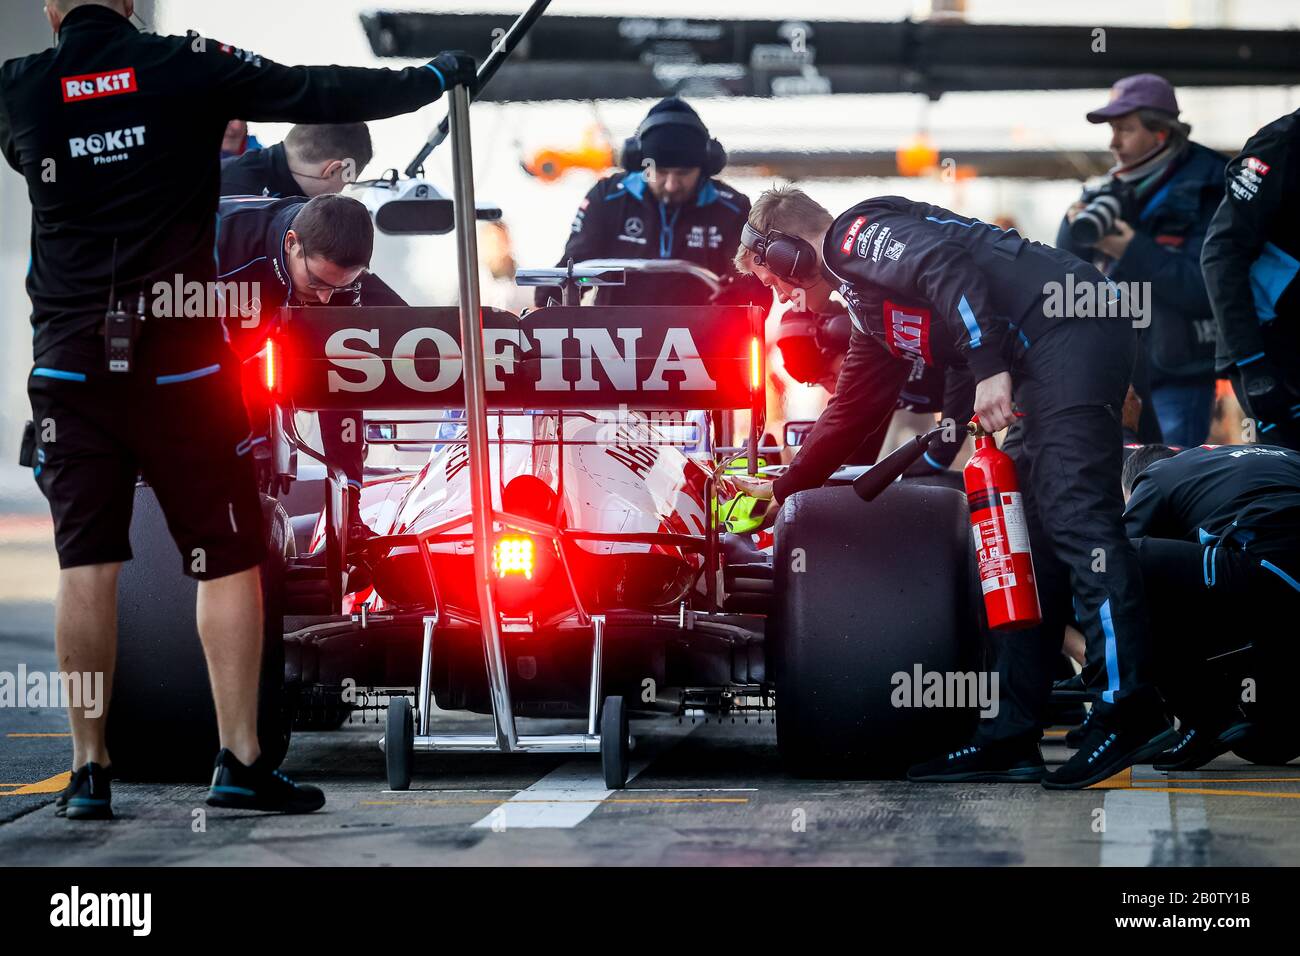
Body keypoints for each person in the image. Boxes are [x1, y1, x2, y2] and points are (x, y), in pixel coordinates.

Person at [0, 0, 475, 820]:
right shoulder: (184, 66)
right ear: (126, 2)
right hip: (181, 366)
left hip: (70, 363)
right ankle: (240, 759)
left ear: (49, 9)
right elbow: (314, 92)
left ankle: (88, 772)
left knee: (87, 565)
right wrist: (430, 77)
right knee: (227, 558)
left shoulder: (21, 87)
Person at [730, 185, 1165, 789]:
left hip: (1071, 326)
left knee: (1075, 518)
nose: (778, 295)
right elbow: (851, 414)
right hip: (1045, 352)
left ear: (787, 255)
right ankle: (1011, 736)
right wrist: (781, 490)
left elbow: (945, 267)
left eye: (770, 278)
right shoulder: (865, 306)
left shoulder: (851, 236)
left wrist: (989, 368)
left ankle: (1128, 707)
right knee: (1022, 549)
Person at [216, 193, 402, 539]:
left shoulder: (343, 283)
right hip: (187, 318)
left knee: (345, 366)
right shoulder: (222, 243)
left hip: (258, 349)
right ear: (292, 245)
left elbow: (352, 380)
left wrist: (350, 506)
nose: (325, 297)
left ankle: (349, 514)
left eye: (340, 286)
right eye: (316, 282)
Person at [1056, 74, 1225, 447]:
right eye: (1112, 130)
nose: (1113, 143)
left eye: (1125, 130)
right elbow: (1063, 278)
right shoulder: (1110, 187)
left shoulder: (1211, 185)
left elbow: (1204, 288)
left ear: (1160, 134)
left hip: (1176, 373)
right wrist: (1074, 225)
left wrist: (1129, 249)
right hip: (1112, 367)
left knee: (1168, 482)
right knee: (1110, 483)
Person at [1122, 443, 1300, 770]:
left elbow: (1115, 574)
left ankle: (1207, 717)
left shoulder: (1153, 478)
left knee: (1118, 560)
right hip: (1277, 578)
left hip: (1267, 563)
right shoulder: (1276, 455)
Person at [533, 96, 750, 307]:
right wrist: (554, 294)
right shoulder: (608, 198)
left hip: (709, 339)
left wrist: (736, 298)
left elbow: (752, 287)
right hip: (614, 339)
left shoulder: (732, 209)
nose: (671, 185)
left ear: (706, 166)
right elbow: (574, 267)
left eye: (683, 173)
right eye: (661, 172)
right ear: (640, 164)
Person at [1202, 108, 1300, 450]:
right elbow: (1220, 253)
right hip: (1270, 352)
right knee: (1286, 485)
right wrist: (1253, 364)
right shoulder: (1281, 144)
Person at [773, 306, 973, 471]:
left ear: (843, 336)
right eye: (817, 383)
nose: (831, 389)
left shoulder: (895, 328)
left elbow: (965, 363)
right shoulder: (873, 390)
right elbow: (855, 459)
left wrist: (937, 456)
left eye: (829, 376)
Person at [222, 122, 373, 199]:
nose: (337, 194)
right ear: (332, 170)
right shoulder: (244, 205)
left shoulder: (225, 174)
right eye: (345, 183)